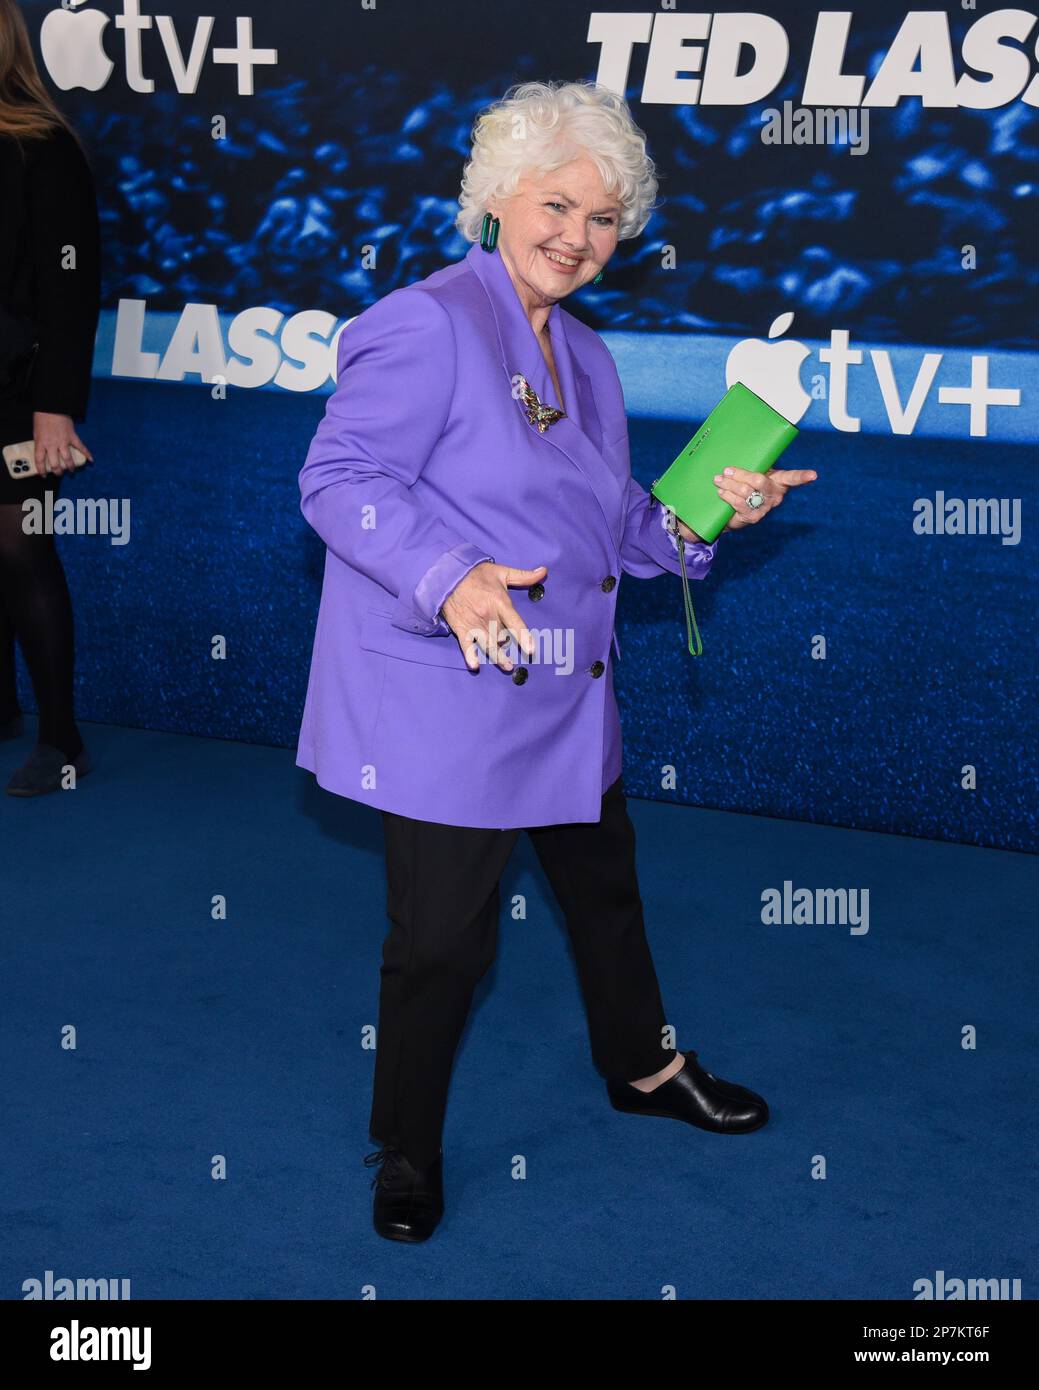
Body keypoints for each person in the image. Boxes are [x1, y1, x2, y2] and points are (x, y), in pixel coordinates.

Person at [297, 80, 817, 1243]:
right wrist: (451, 574)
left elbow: (614, 529)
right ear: (496, 199)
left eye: (601, 219)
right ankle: (408, 1145)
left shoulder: (587, 353)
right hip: (451, 691)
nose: (577, 237)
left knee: (605, 893)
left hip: (567, 696)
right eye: (556, 205)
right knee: (441, 943)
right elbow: (337, 482)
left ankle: (642, 1067)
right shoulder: (427, 321)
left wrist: (708, 514)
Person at [0, 0, 100, 795]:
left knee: (21, 548)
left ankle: (61, 738)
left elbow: (71, 286)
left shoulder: (42, 145)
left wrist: (54, 404)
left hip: (20, 389)